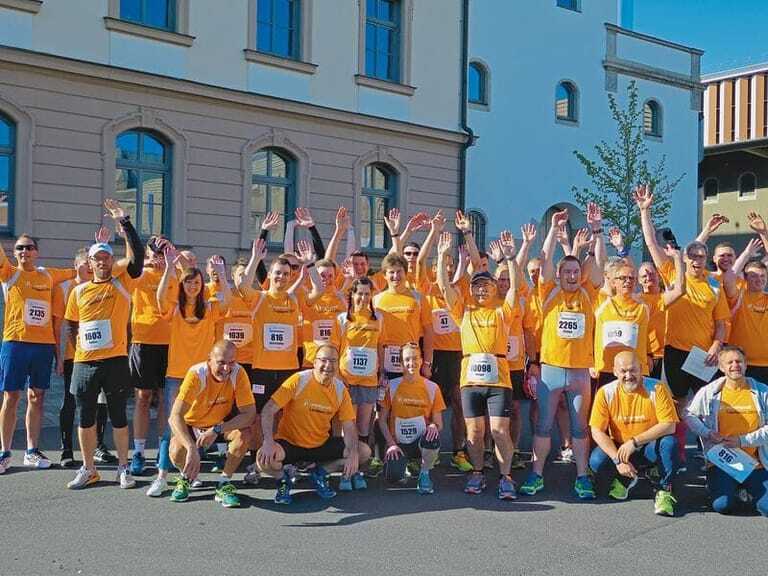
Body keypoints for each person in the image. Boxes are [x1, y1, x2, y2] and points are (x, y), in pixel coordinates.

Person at [636, 184, 731, 464]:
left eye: (702, 256)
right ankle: (675, 454)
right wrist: (645, 210)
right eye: (693, 256)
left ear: (706, 259)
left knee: (709, 406)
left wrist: (717, 345)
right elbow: (652, 242)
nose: (697, 261)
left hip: (706, 355)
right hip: (676, 352)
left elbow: (722, 322)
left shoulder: (714, 285)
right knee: (676, 405)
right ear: (686, 258)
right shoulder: (672, 273)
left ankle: (712, 456)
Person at [520, 204, 605, 499]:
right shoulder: (549, 291)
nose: (571, 275)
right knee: (543, 424)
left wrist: (596, 231)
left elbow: (598, 266)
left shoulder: (588, 292)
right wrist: (553, 232)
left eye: (574, 271)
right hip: (551, 370)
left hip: (580, 371)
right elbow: (543, 261)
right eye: (565, 271)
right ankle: (536, 474)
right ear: (558, 274)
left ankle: (582, 477)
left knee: (580, 427)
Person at [64, 199, 144, 489]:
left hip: (115, 361)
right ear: (89, 263)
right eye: (97, 258)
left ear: (112, 261)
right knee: (85, 418)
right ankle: (89, 468)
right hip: (85, 362)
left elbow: (137, 258)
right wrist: (78, 354)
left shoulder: (123, 284)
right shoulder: (79, 291)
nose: (101, 262)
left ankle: (124, 467)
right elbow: (72, 324)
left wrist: (125, 222)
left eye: (106, 258)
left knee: (119, 416)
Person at [436, 227, 520, 499]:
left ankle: (506, 476)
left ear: (495, 288)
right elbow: (443, 287)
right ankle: (478, 472)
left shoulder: (501, 311)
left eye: (487, 286)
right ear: (472, 290)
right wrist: (440, 257)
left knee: (497, 430)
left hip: (498, 380)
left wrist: (509, 259)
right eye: (477, 286)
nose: (482, 290)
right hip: (470, 380)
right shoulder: (464, 310)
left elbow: (515, 288)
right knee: (474, 431)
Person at [145, 247, 230, 497]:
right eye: (188, 282)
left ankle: (189, 474)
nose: (193, 286)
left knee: (198, 425)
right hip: (177, 375)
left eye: (197, 282)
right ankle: (161, 476)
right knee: (173, 426)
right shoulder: (175, 308)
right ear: (182, 285)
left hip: (204, 375)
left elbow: (228, 301)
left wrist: (222, 275)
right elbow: (160, 297)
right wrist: (170, 266)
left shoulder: (210, 306)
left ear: (202, 284)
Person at [256, 344, 371, 504]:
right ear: (314, 362)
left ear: (338, 364)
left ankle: (320, 473)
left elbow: (349, 426)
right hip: (290, 444)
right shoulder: (299, 380)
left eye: (333, 361)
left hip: (319, 445)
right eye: (323, 360)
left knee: (363, 452)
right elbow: (268, 410)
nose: (328, 365)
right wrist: (268, 441)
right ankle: (283, 480)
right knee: (263, 459)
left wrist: (352, 452)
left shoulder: (340, 390)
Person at [0, 231, 75, 473]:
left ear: (36, 252)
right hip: (15, 343)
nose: (25, 252)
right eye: (20, 248)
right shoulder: (9, 273)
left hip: (42, 347)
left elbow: (79, 271)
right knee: (11, 397)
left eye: (29, 248)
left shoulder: (48, 275)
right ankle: (5, 452)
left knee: (37, 397)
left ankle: (32, 451)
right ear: (14, 253)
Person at [588, 351, 679, 516]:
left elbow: (669, 425)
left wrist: (635, 442)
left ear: (641, 368)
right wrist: (617, 460)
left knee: (669, 443)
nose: (628, 375)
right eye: (623, 371)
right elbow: (597, 431)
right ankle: (626, 475)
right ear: (615, 371)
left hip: (646, 445)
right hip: (620, 446)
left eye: (633, 370)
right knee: (596, 462)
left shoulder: (657, 388)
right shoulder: (605, 392)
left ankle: (664, 490)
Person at [167, 340, 256, 508]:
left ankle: (224, 483)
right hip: (192, 425)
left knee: (246, 434)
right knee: (176, 451)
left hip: (219, 425)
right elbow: (174, 417)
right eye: (221, 363)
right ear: (210, 359)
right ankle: (186, 478)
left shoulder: (238, 373)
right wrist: (192, 448)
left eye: (231, 362)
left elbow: (249, 414)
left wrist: (217, 429)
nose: (226, 368)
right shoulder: (196, 374)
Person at [685, 346, 768, 517]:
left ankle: (747, 490)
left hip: (756, 463)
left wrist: (742, 441)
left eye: (739, 361)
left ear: (746, 365)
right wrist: (708, 433)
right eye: (729, 362)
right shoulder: (710, 391)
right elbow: (689, 415)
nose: (735, 365)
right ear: (721, 367)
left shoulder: (762, 391)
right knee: (722, 506)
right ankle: (727, 486)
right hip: (723, 462)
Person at [593, 250, 684, 387]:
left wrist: (678, 259)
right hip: (606, 369)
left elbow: (679, 290)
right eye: (623, 278)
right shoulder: (600, 301)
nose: (627, 281)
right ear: (613, 281)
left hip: (636, 370)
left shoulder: (645, 303)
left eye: (631, 278)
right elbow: (600, 263)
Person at [127, 235, 174, 477]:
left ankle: (163, 450)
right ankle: (138, 451)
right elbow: (126, 265)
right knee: (143, 397)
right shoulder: (139, 274)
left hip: (169, 344)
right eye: (154, 254)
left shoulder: (175, 276)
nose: (158, 259)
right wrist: (147, 265)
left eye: (162, 254)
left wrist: (171, 264)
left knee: (166, 399)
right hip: (142, 342)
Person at [336, 276, 384, 488]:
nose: (363, 297)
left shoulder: (378, 318)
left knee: (364, 427)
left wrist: (381, 370)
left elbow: (380, 346)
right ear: (352, 295)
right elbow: (336, 350)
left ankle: (359, 471)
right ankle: (346, 472)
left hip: (369, 381)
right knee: (349, 428)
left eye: (367, 294)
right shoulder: (343, 319)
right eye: (360, 293)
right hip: (348, 380)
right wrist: (338, 378)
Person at [379, 343, 446, 494]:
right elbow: (382, 421)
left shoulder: (432, 387)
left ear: (421, 360)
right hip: (398, 443)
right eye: (407, 359)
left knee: (433, 438)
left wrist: (434, 426)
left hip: (421, 442)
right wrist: (390, 444)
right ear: (401, 363)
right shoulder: (391, 386)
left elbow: (439, 424)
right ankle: (405, 463)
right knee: (393, 477)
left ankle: (424, 473)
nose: (411, 363)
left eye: (415, 358)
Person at [52, 248, 91, 468]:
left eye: (90, 262)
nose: (88, 266)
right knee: (69, 401)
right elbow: (57, 328)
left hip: (97, 354)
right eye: (84, 262)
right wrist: (58, 358)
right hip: (72, 356)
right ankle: (66, 448)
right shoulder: (65, 288)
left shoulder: (99, 285)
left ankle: (98, 448)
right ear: (75, 265)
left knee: (97, 403)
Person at [728, 240, 768, 382]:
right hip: (741, 364)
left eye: (763, 276)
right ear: (745, 279)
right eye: (754, 276)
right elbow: (730, 277)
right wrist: (747, 253)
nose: (759, 279)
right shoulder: (738, 295)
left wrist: (764, 233)